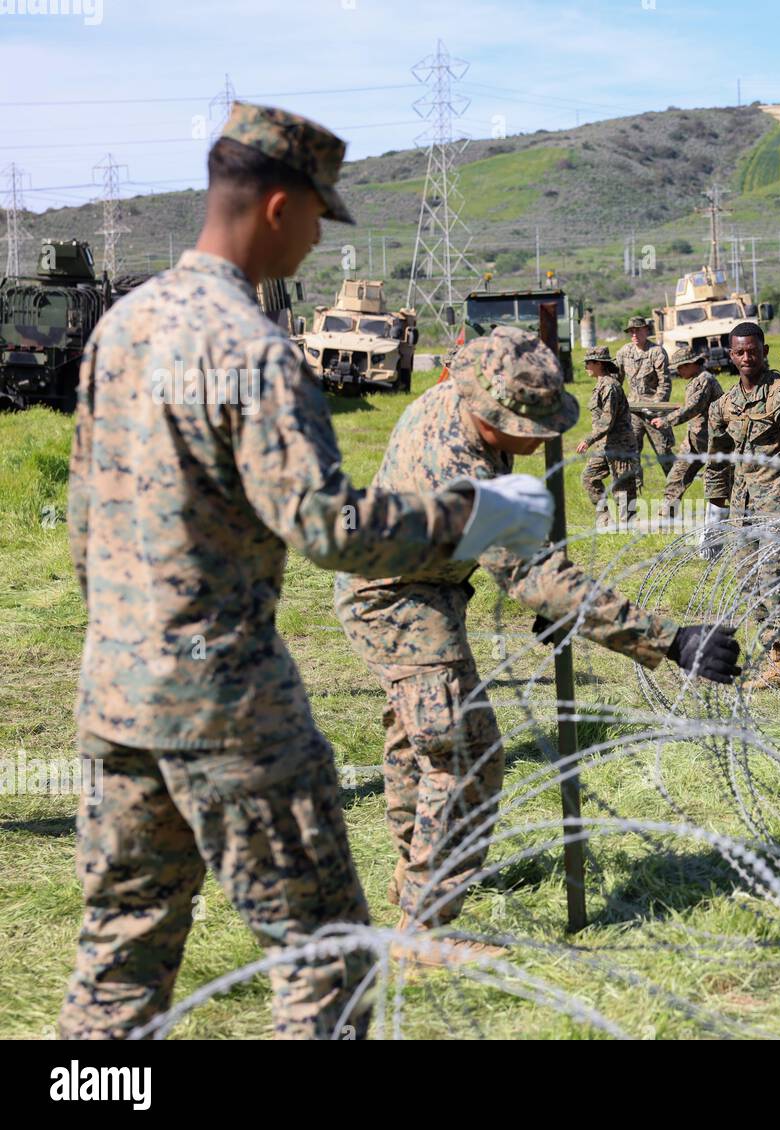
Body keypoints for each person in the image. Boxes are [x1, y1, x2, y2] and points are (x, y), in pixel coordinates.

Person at [59, 103, 554, 1040]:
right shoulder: (254, 347)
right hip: (226, 704)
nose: (323, 237)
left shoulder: (123, 326)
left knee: (120, 955)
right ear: (280, 206)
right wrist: (480, 514)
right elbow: (327, 526)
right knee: (326, 959)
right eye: (322, 216)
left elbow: (86, 524)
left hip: (114, 689)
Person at [333, 324, 741, 967]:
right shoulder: (458, 465)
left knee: (417, 741)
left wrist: (555, 600)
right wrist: (670, 639)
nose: (541, 438)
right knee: (465, 753)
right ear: (491, 411)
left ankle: (414, 879)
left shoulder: (453, 400)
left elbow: (529, 563)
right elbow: (530, 573)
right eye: (530, 424)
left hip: (417, 586)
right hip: (397, 601)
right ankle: (425, 928)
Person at [705, 322, 780, 693]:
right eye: (739, 352)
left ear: (764, 350)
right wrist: (715, 507)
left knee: (777, 587)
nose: (746, 358)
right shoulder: (723, 405)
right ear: (730, 355)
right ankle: (777, 662)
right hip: (743, 508)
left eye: (752, 350)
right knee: (750, 589)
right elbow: (717, 458)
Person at [651, 342, 725, 519]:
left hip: (713, 441)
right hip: (695, 439)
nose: (678, 372)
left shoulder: (704, 379)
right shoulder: (696, 380)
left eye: (680, 368)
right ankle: (666, 516)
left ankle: (728, 517)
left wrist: (666, 420)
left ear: (691, 364)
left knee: (718, 483)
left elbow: (693, 408)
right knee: (676, 477)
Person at [576, 346, 638, 528]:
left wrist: (588, 440)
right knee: (589, 477)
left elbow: (607, 420)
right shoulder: (601, 385)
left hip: (620, 445)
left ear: (599, 364)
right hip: (605, 445)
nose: (586, 366)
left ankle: (629, 525)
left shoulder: (610, 386)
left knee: (622, 488)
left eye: (589, 362)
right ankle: (605, 520)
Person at [615, 315, 673, 486]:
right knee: (631, 451)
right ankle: (634, 488)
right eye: (631, 331)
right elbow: (616, 380)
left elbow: (665, 383)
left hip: (653, 411)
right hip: (633, 411)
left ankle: (676, 485)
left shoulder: (656, 352)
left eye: (637, 330)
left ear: (646, 331)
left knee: (663, 451)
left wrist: (655, 404)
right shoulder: (624, 352)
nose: (634, 334)